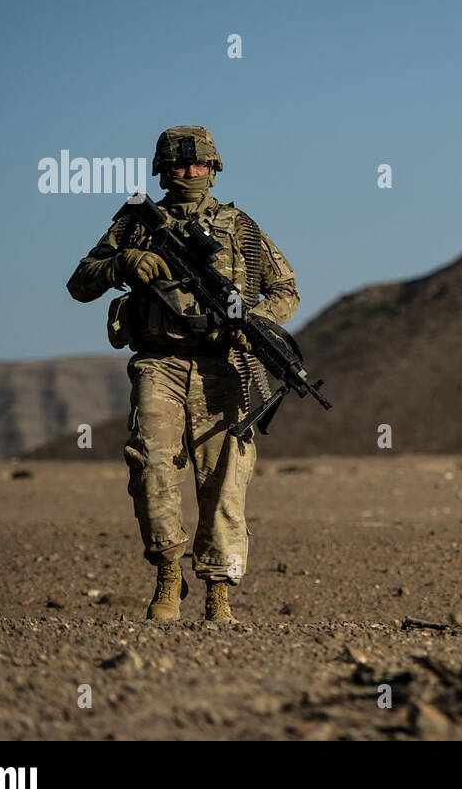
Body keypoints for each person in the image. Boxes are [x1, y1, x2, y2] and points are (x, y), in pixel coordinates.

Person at [67, 126, 299, 622]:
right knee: (150, 464)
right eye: (177, 166)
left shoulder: (243, 228)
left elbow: (286, 289)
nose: (188, 174)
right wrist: (125, 261)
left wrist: (254, 322)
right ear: (161, 171)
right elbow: (80, 282)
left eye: (197, 165)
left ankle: (219, 594)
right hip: (161, 363)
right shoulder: (134, 224)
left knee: (225, 481)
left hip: (224, 366)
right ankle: (169, 574)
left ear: (214, 169)